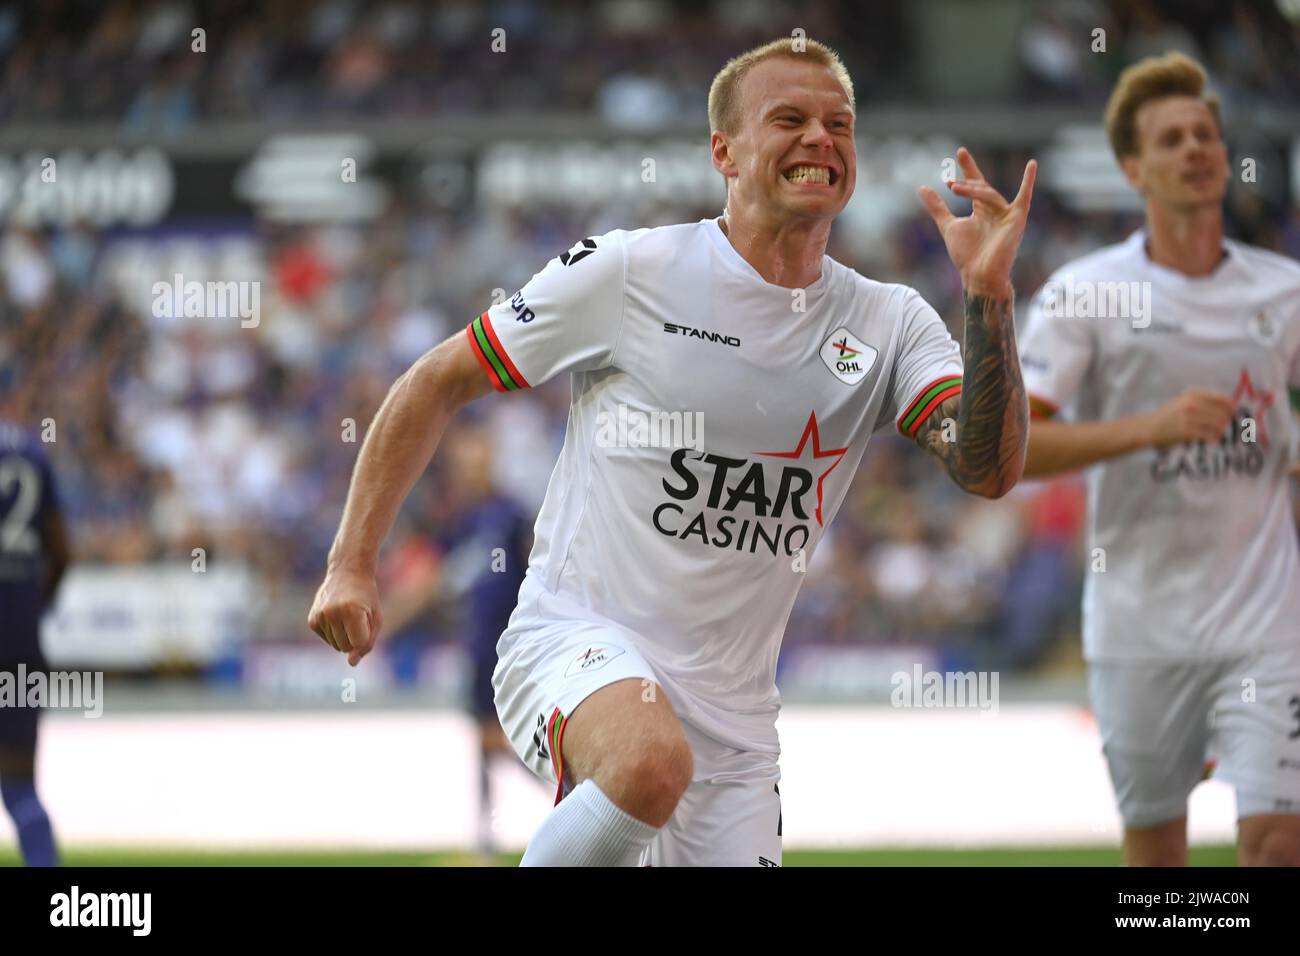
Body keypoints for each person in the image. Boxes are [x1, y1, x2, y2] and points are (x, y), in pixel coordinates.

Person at [310, 37, 1036, 866]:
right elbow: (437, 378)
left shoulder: (890, 322)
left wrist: (988, 300)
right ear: (723, 152)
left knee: (668, 763)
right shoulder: (631, 271)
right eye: (789, 119)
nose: (820, 139)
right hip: (573, 643)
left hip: (735, 727)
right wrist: (352, 562)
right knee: (651, 762)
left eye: (839, 123)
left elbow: (988, 468)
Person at [1018, 51, 1300, 866]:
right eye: (1172, 138)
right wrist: (1150, 428)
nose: (1195, 149)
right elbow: (1011, 450)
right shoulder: (1084, 293)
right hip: (1139, 626)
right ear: (1132, 167)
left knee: (1279, 843)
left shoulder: (1284, 293)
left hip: (1266, 623)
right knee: (1155, 858)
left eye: (1205, 134)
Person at [0, 417, 70, 866]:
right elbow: (62, 551)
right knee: (21, 785)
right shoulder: (30, 449)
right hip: (20, 637)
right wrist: (30, 605)